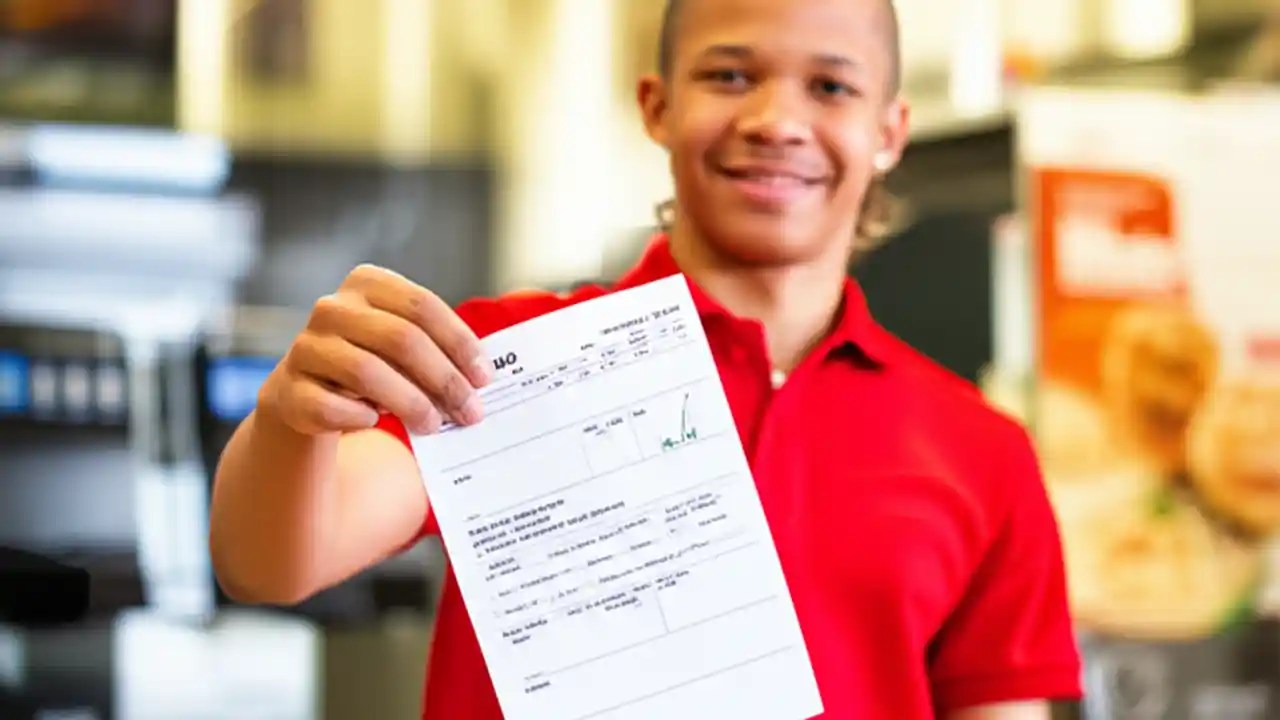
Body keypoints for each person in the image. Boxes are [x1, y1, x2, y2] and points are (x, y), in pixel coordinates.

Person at [209, 0, 1084, 717]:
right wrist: (292, 417)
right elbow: (270, 563)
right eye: (730, 74)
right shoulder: (501, 358)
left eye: (830, 85)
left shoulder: (983, 451)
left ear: (890, 131)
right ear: (657, 106)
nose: (777, 120)